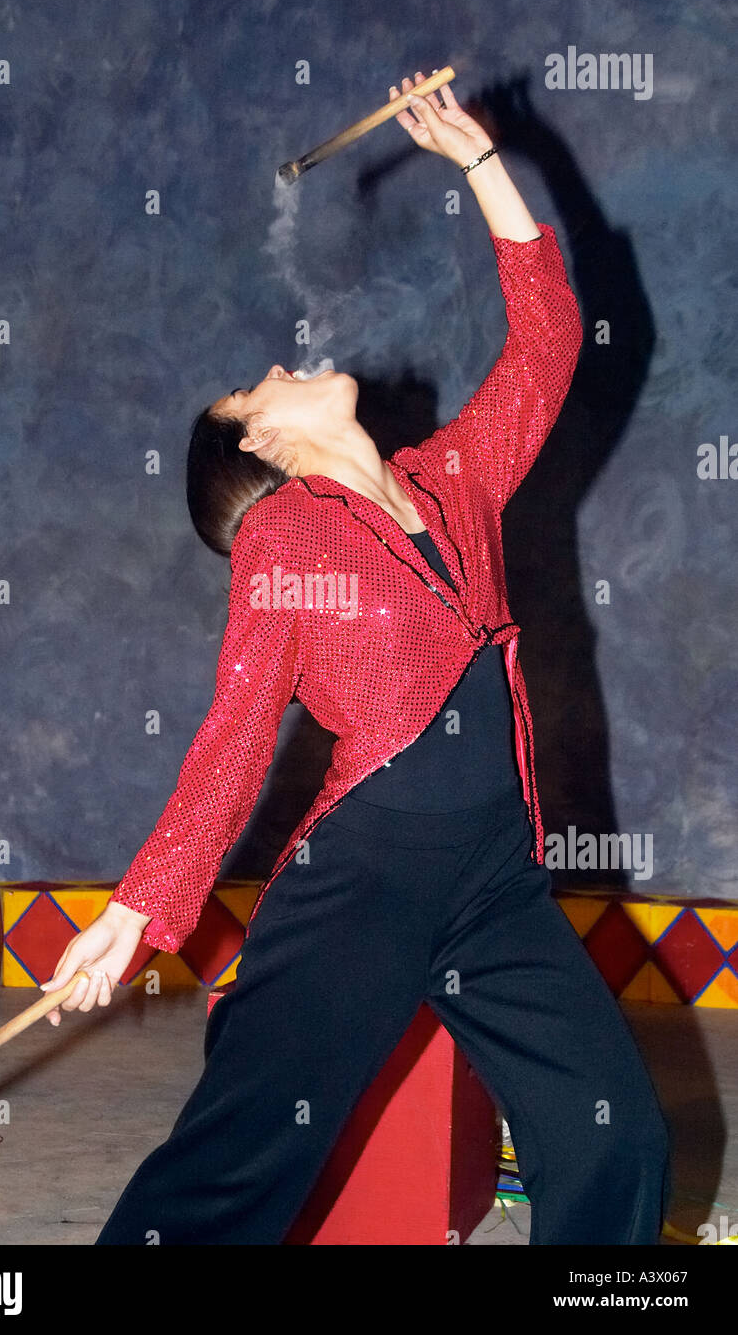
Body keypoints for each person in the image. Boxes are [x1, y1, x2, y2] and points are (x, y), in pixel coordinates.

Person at [41, 72, 671, 1245]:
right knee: (233, 1173)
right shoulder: (284, 537)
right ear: (265, 447)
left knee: (616, 1138)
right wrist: (138, 912)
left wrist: (482, 164)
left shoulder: (451, 481)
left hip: (493, 879)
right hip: (360, 889)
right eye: (256, 389)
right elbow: (235, 734)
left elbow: (547, 347)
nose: (280, 370)